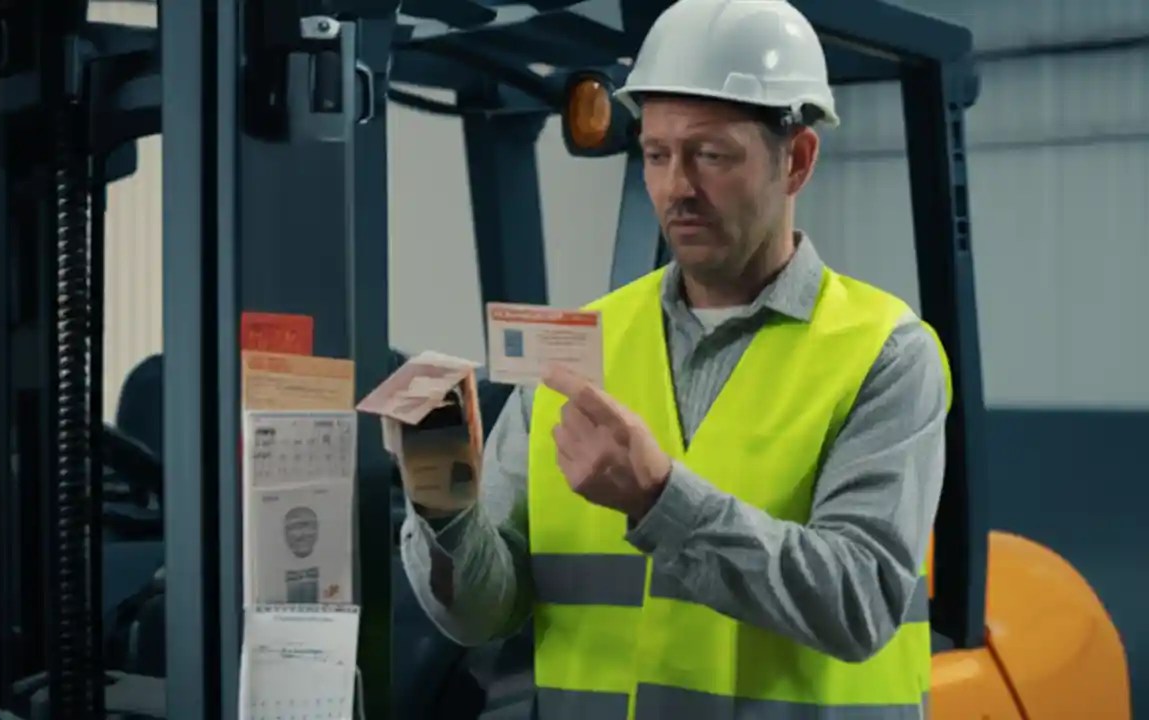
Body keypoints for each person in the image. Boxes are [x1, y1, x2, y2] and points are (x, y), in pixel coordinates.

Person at [399, 0, 950, 717]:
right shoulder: (584, 340)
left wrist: (659, 499)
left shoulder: (885, 354)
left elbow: (859, 601)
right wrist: (443, 508)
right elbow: (484, 614)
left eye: (711, 155)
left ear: (799, 161)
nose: (676, 188)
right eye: (657, 155)